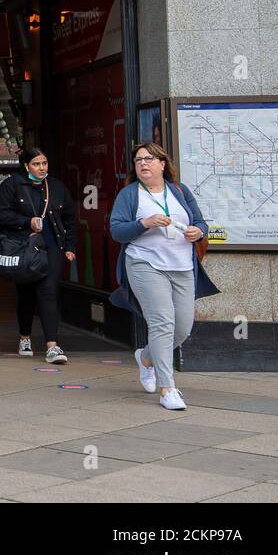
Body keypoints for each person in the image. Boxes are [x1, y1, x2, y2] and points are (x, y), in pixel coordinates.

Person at [110, 141, 219, 411]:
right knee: (162, 322)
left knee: (181, 328)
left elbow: (201, 223)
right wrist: (144, 223)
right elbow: (117, 231)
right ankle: (167, 388)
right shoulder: (129, 194)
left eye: (149, 159)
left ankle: (145, 358)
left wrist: (199, 232)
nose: (143, 164)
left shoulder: (179, 191)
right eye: (138, 160)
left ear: (162, 163)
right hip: (145, 263)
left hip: (182, 266)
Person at [0, 148, 76, 363]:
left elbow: (69, 218)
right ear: (26, 165)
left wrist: (69, 247)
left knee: (48, 292)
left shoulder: (56, 187)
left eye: (44, 163)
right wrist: (25, 221)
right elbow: (0, 214)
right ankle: (25, 336)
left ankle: (52, 346)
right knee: (26, 293)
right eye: (37, 164)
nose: (42, 168)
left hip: (52, 247)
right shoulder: (12, 185)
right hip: (24, 248)